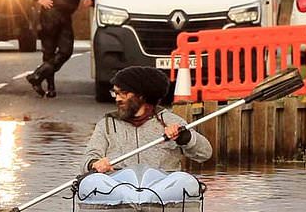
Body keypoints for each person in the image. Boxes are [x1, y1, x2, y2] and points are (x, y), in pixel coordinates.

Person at [83, 64, 213, 174]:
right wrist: (94, 164)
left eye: (123, 93)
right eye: (115, 93)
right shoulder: (107, 124)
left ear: (141, 95)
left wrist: (185, 137)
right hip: (118, 184)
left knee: (184, 179)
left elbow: (205, 154)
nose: (117, 98)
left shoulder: (172, 121)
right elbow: (88, 158)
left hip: (162, 184)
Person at [26, 0, 91, 98]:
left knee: (65, 51)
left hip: (66, 15)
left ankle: (37, 76)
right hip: (51, 13)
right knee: (48, 52)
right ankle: (50, 87)